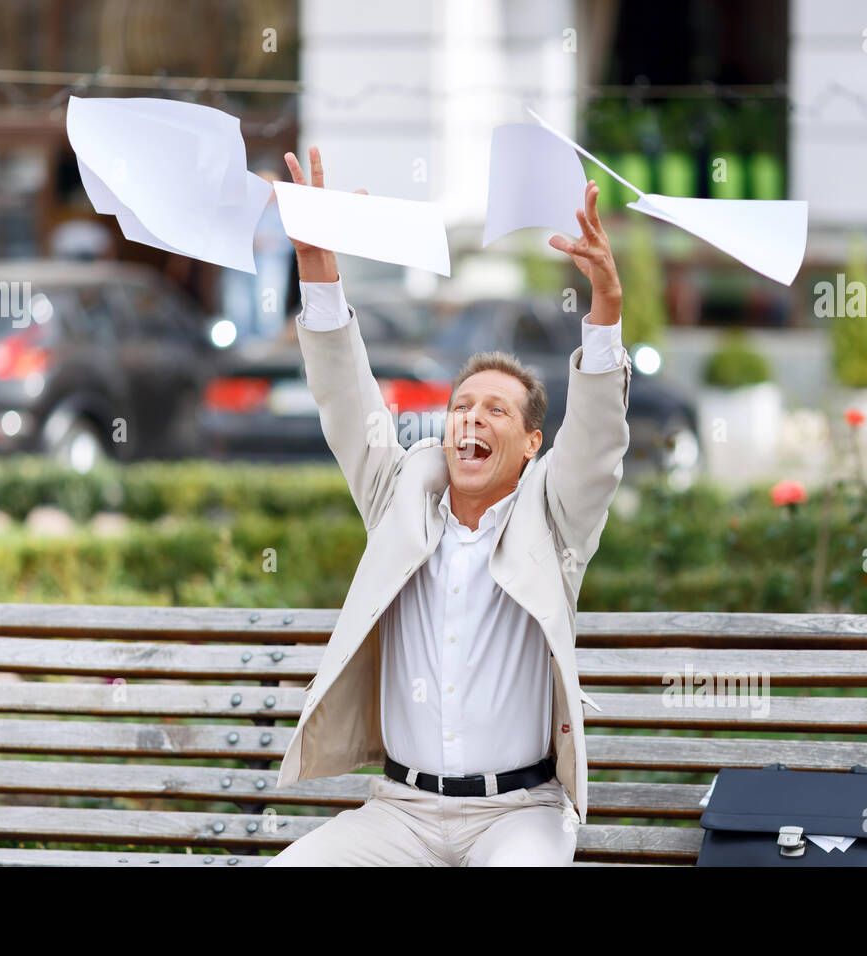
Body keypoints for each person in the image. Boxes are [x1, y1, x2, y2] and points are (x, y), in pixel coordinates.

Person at [266, 147, 631, 867]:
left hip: (518, 815)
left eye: (496, 410)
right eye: (462, 406)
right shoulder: (399, 492)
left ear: (531, 443)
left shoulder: (555, 518)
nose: (471, 419)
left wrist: (606, 314)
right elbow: (347, 401)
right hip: (401, 811)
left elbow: (594, 445)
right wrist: (316, 266)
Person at [219, 162, 294, 340]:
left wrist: (266, 242)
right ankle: (240, 344)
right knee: (238, 307)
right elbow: (226, 237)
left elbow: (289, 242)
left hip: (270, 269)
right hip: (240, 271)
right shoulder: (240, 213)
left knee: (268, 308)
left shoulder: (284, 214)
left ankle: (269, 345)